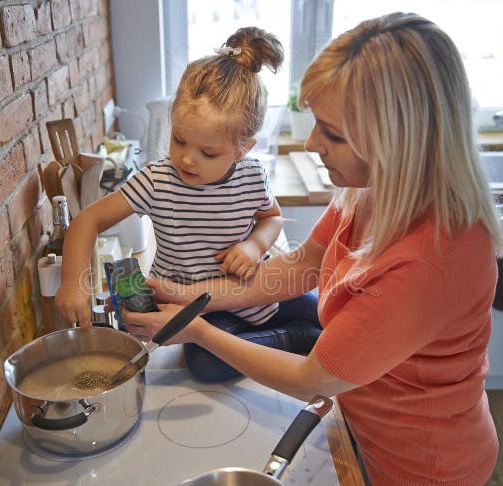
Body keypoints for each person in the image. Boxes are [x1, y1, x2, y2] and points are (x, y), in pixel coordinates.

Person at [121, 13, 503, 486]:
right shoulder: (370, 191)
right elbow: (299, 268)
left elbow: (312, 378)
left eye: (331, 133)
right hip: (360, 426)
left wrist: (196, 330)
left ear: (397, 138)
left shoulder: (434, 256)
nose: (310, 146)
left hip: (417, 473)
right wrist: (190, 295)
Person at [56, 27, 323, 382]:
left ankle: (297, 338)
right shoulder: (156, 180)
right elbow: (86, 221)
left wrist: (254, 245)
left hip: (255, 291)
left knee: (326, 309)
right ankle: (296, 340)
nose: (187, 160)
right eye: (179, 140)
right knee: (205, 363)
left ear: (243, 149)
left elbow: (271, 218)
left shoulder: (251, 175)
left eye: (208, 152)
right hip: (198, 307)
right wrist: (72, 282)